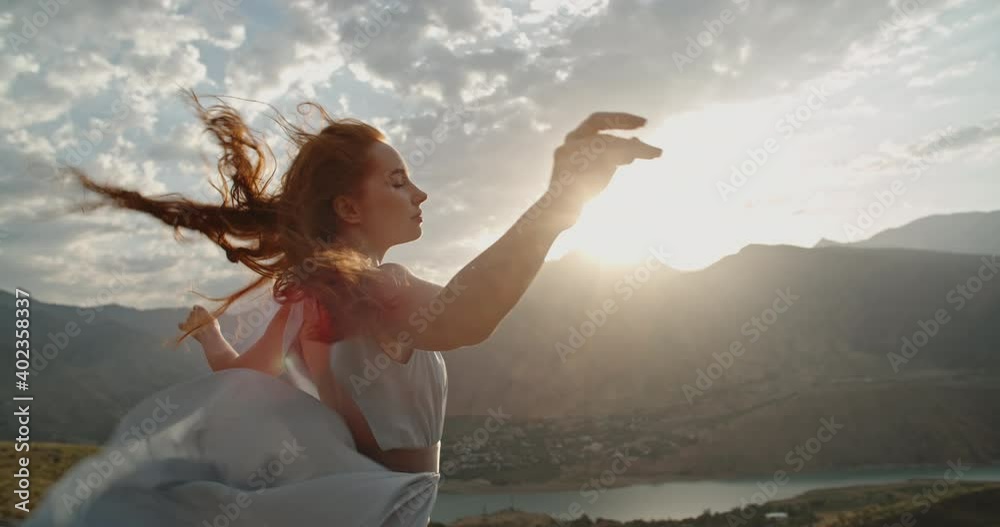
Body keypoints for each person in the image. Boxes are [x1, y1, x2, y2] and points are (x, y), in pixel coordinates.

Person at [22, 90, 661, 526]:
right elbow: (468, 317)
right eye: (397, 180)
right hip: (383, 510)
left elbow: (242, 378)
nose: (421, 192)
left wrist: (210, 337)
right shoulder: (367, 290)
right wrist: (557, 204)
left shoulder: (309, 292)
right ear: (349, 209)